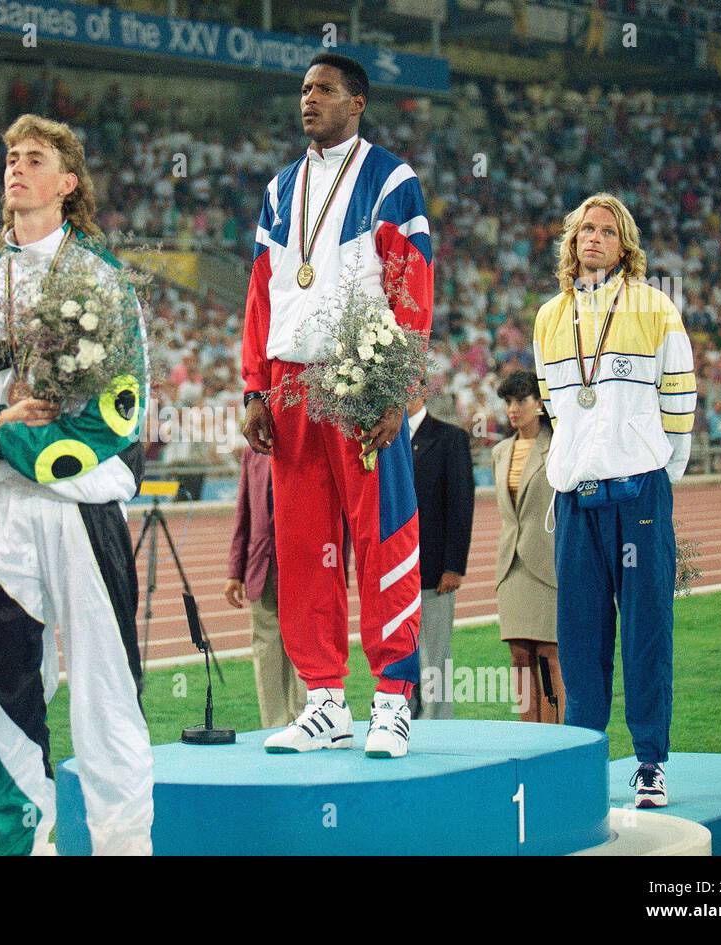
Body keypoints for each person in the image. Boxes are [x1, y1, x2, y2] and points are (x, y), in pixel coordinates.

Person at [0, 114, 153, 855]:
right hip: (2, 510)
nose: (15, 168)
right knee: (3, 690)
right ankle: (24, 844)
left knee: (106, 696)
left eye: (33, 158)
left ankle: (124, 844)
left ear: (67, 182)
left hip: (83, 512)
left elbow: (120, 417)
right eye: (9, 156)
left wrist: (5, 435)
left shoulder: (105, 284)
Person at [241, 54, 433, 757]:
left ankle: (392, 699)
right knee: (303, 550)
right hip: (290, 387)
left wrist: (398, 389)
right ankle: (324, 698)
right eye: (301, 89)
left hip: (359, 383)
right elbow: (263, 292)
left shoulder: (391, 179)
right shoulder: (279, 187)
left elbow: (410, 284)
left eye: (322, 89)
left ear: (358, 101)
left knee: (382, 538)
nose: (307, 99)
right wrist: (254, 385)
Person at [532, 193, 696, 808]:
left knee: (647, 630)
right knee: (579, 635)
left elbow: (679, 394)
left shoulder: (655, 307)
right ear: (571, 243)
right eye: (583, 230)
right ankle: (583, 756)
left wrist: (661, 467)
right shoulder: (550, 316)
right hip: (577, 498)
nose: (593, 239)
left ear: (625, 245)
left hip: (639, 495)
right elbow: (555, 404)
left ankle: (650, 761)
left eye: (606, 230)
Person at [490, 371, 563, 723]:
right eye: (508, 402)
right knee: (519, 657)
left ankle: (555, 734)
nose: (513, 409)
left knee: (549, 653)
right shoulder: (500, 452)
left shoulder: (560, 445)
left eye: (521, 400)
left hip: (547, 564)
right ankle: (528, 732)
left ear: (540, 403)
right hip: (511, 568)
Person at [226, 446, 305, 728]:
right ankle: (274, 724)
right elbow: (243, 514)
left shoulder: (306, 445)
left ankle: (306, 720)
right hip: (261, 564)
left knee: (304, 643)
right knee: (266, 647)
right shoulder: (252, 454)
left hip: (303, 563)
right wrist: (235, 571)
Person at [407, 392, 474, 720]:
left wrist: (454, 565)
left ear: (420, 390)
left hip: (434, 570)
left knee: (434, 657)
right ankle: (406, 722)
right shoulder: (386, 441)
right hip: (396, 575)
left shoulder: (450, 438)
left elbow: (461, 504)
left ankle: (438, 726)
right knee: (402, 658)